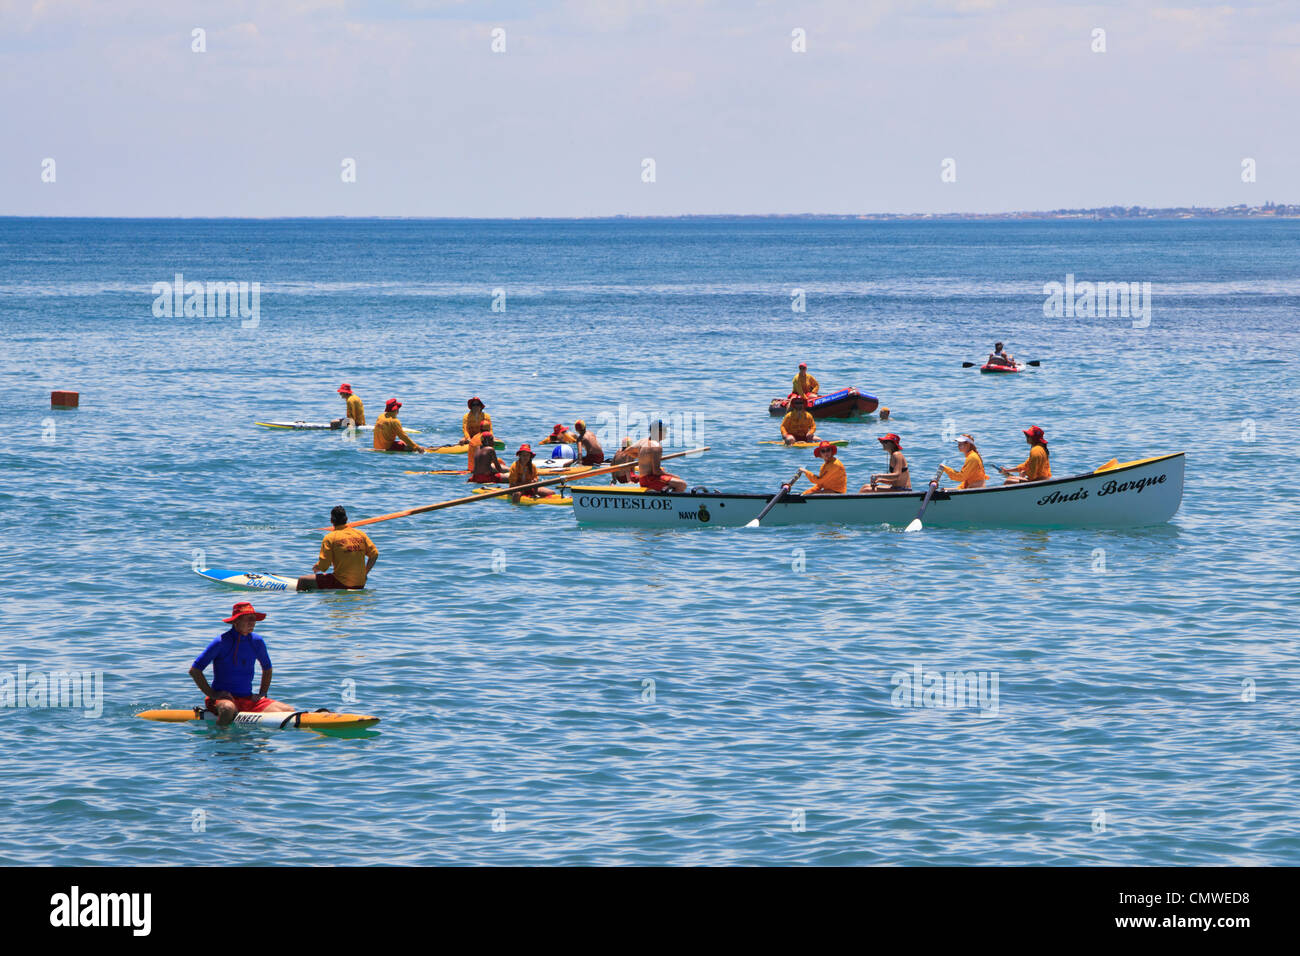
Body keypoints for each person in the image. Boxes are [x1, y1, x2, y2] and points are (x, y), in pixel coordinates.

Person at [189, 602, 295, 726]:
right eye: (248, 618)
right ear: (236, 621)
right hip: (222, 700)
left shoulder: (257, 641)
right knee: (228, 709)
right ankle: (221, 739)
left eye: (254, 619)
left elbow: (267, 668)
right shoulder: (221, 642)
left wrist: (262, 694)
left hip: (247, 699)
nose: (252, 622)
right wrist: (212, 694)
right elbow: (195, 670)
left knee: (288, 711)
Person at [299, 505, 377, 591]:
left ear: (331, 520)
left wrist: (317, 567)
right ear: (346, 519)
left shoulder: (330, 538)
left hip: (341, 583)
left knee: (303, 581)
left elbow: (324, 565)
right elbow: (374, 554)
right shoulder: (360, 534)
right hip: (360, 583)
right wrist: (365, 573)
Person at [636, 420, 687, 492]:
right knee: (681, 484)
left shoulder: (644, 442)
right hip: (649, 480)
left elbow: (628, 450)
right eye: (664, 430)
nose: (666, 432)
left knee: (674, 481)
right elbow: (656, 472)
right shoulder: (656, 446)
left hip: (643, 479)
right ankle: (672, 502)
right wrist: (672, 476)